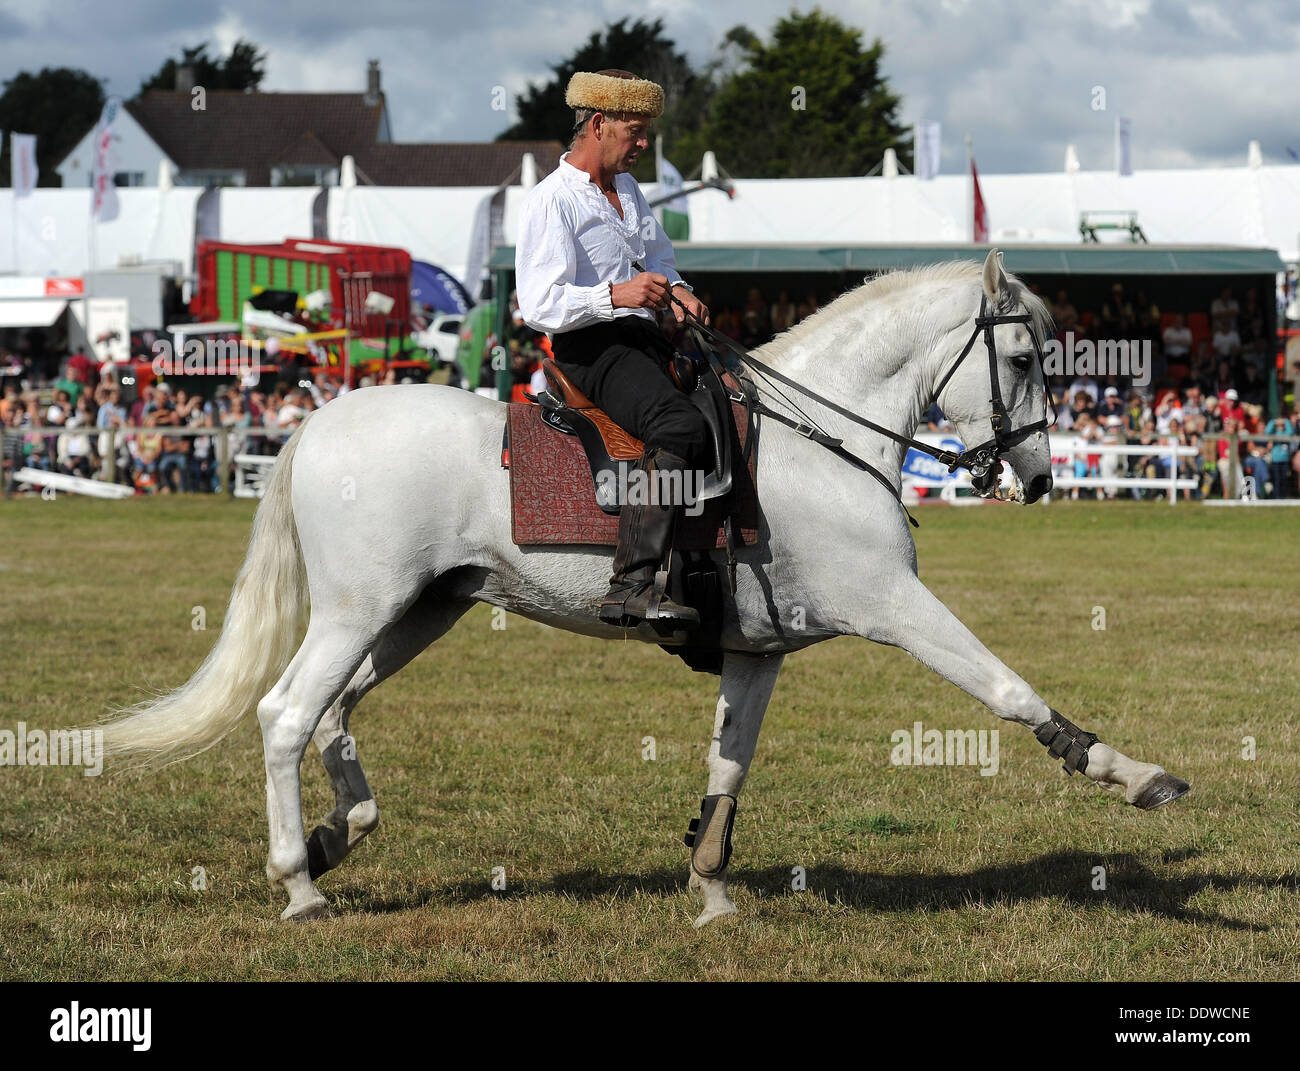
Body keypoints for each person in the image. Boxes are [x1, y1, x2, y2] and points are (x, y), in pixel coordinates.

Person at [514, 68, 710, 629]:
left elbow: (662, 259)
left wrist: (678, 291)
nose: (645, 143)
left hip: (643, 338)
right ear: (598, 124)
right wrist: (616, 294)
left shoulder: (627, 190)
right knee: (678, 426)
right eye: (636, 130)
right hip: (590, 349)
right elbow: (539, 305)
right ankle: (631, 584)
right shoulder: (550, 201)